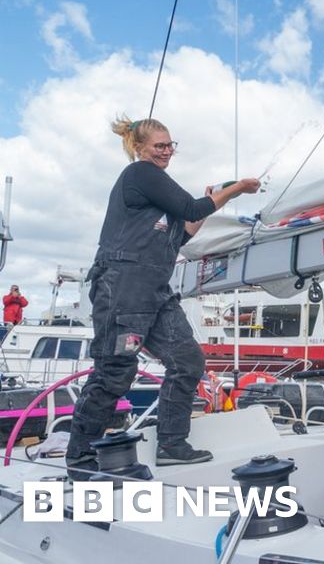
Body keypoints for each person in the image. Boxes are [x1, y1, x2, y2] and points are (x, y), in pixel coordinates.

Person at [66, 116, 260, 478]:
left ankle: (172, 444)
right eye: (160, 145)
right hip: (123, 287)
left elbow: (184, 229)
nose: (167, 151)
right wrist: (234, 190)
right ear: (140, 148)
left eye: (171, 145)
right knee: (114, 373)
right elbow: (191, 209)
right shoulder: (141, 173)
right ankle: (80, 459)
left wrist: (208, 199)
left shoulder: (155, 197)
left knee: (188, 361)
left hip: (154, 291)